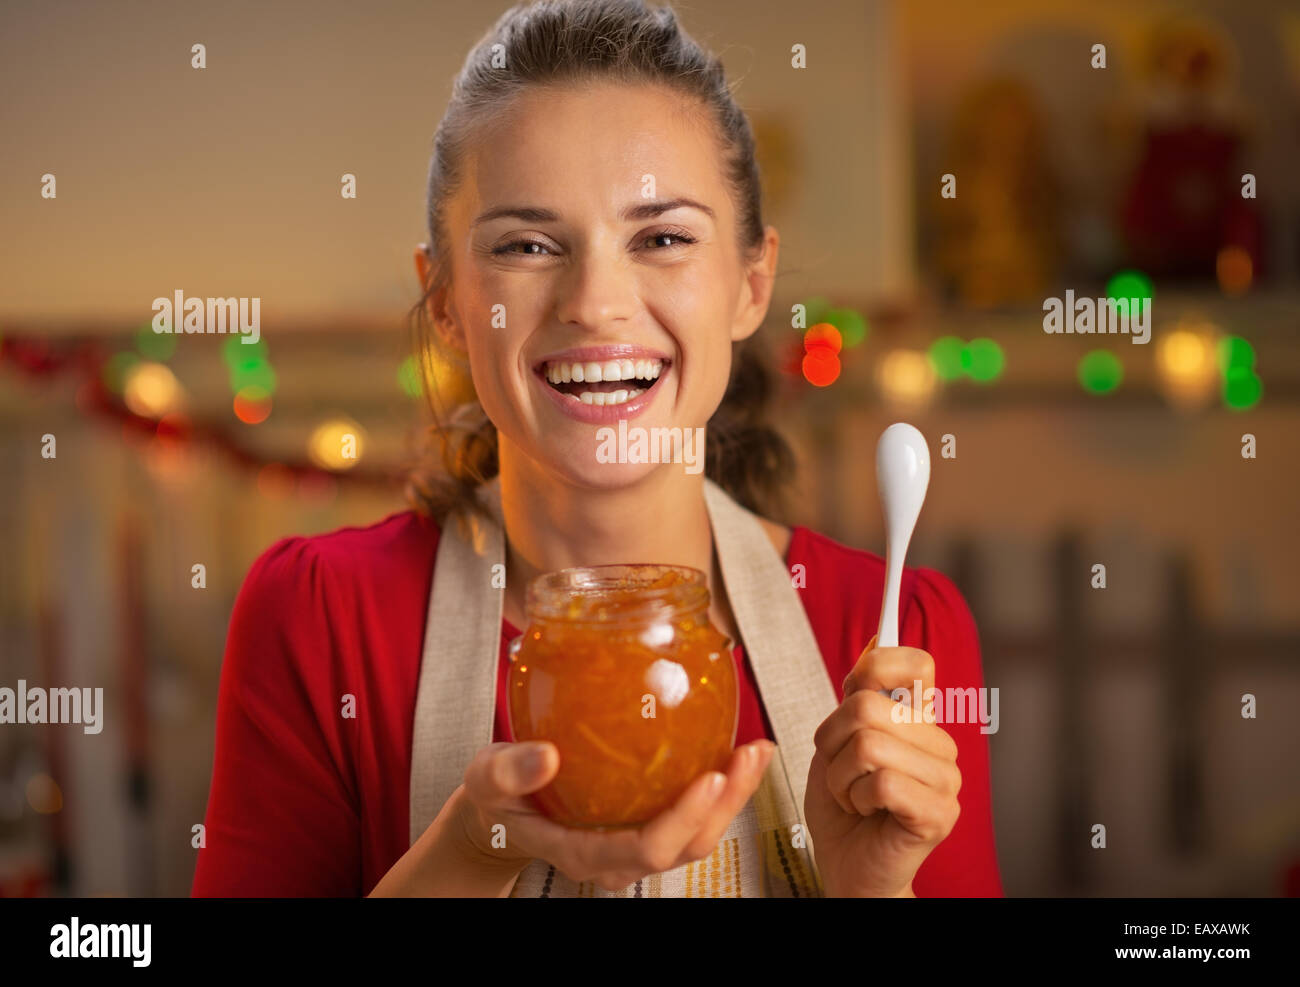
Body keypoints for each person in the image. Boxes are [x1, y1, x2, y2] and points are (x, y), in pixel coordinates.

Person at [191, 0, 1002, 898]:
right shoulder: (320, 620)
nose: (596, 302)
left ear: (749, 283)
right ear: (450, 300)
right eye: (528, 244)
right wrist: (471, 846)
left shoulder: (891, 632)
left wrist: (871, 889)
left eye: (661, 238)